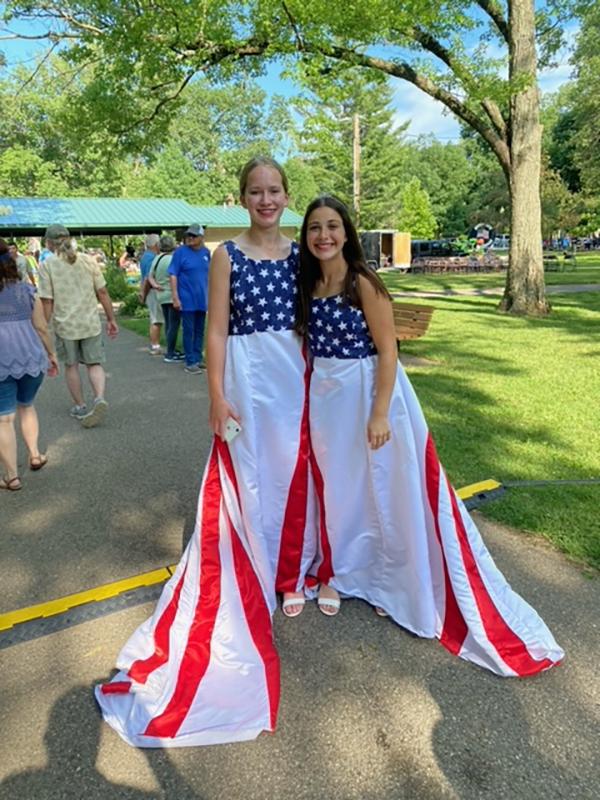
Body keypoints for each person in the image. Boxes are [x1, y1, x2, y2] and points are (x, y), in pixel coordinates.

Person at [96, 156, 316, 747]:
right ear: (242, 197)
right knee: (247, 479)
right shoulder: (226, 255)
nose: (266, 200)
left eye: (274, 191)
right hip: (247, 377)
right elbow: (215, 330)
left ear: (286, 196)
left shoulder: (302, 254)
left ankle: (290, 572)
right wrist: (215, 396)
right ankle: (255, 570)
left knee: (294, 474)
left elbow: (322, 316)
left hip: (294, 375)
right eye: (255, 191)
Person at [295, 195, 564, 675]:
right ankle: (342, 573)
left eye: (332, 226)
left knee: (389, 492)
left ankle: (391, 582)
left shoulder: (364, 283)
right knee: (339, 492)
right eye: (314, 227)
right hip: (328, 400)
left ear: (346, 232)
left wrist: (379, 413)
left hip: (373, 396)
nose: (323, 236)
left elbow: (388, 351)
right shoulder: (309, 284)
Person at [38, 224, 119, 428]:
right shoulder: (88, 260)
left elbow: (47, 301)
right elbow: (102, 293)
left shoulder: (48, 264)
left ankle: (80, 405)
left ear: (48, 242)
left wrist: (43, 327)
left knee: (71, 365)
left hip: (66, 326)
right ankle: (99, 398)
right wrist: (111, 319)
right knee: (94, 363)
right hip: (90, 322)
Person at [0, 239, 58, 491]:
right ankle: (34, 454)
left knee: (4, 419)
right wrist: (52, 354)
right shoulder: (26, 290)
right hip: (31, 357)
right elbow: (42, 327)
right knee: (27, 406)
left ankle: (12, 476)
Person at [168, 225, 210, 373]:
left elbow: (209, 276)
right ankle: (190, 361)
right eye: (188, 236)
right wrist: (175, 297)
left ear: (201, 238)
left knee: (200, 330)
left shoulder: (206, 253)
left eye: (193, 236)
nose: (190, 238)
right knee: (189, 330)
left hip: (202, 299)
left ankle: (198, 358)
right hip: (186, 298)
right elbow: (173, 274)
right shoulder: (180, 253)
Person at [146, 235, 183, 363]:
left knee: (168, 323)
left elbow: (150, 276)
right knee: (174, 325)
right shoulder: (173, 259)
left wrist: (155, 285)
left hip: (160, 295)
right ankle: (171, 353)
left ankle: (170, 349)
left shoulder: (157, 259)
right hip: (172, 295)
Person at [138, 234, 163, 355]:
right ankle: (155, 345)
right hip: (153, 291)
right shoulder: (151, 258)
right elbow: (148, 278)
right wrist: (144, 292)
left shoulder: (145, 256)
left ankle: (155, 344)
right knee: (156, 319)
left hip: (150, 291)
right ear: (155, 245)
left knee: (156, 318)